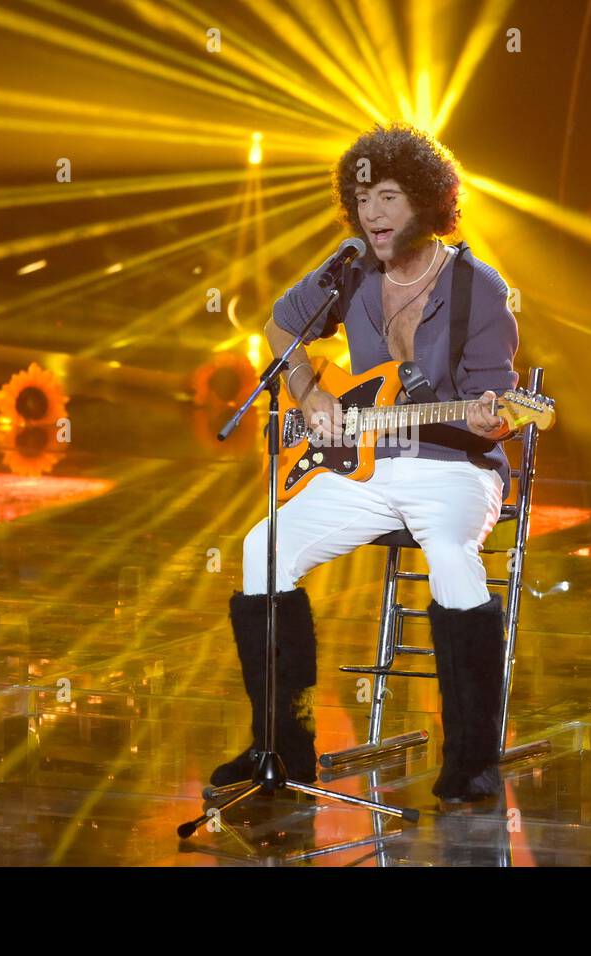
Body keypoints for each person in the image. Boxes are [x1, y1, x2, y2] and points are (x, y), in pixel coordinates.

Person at [211, 123, 520, 804]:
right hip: (367, 467)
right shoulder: (348, 272)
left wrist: (489, 415)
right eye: (363, 200)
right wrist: (308, 388)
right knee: (261, 548)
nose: (373, 214)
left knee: (449, 553)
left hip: (456, 468)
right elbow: (278, 327)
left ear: (427, 200)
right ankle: (280, 748)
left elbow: (494, 404)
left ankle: (471, 760)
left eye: (388, 197)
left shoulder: (478, 288)